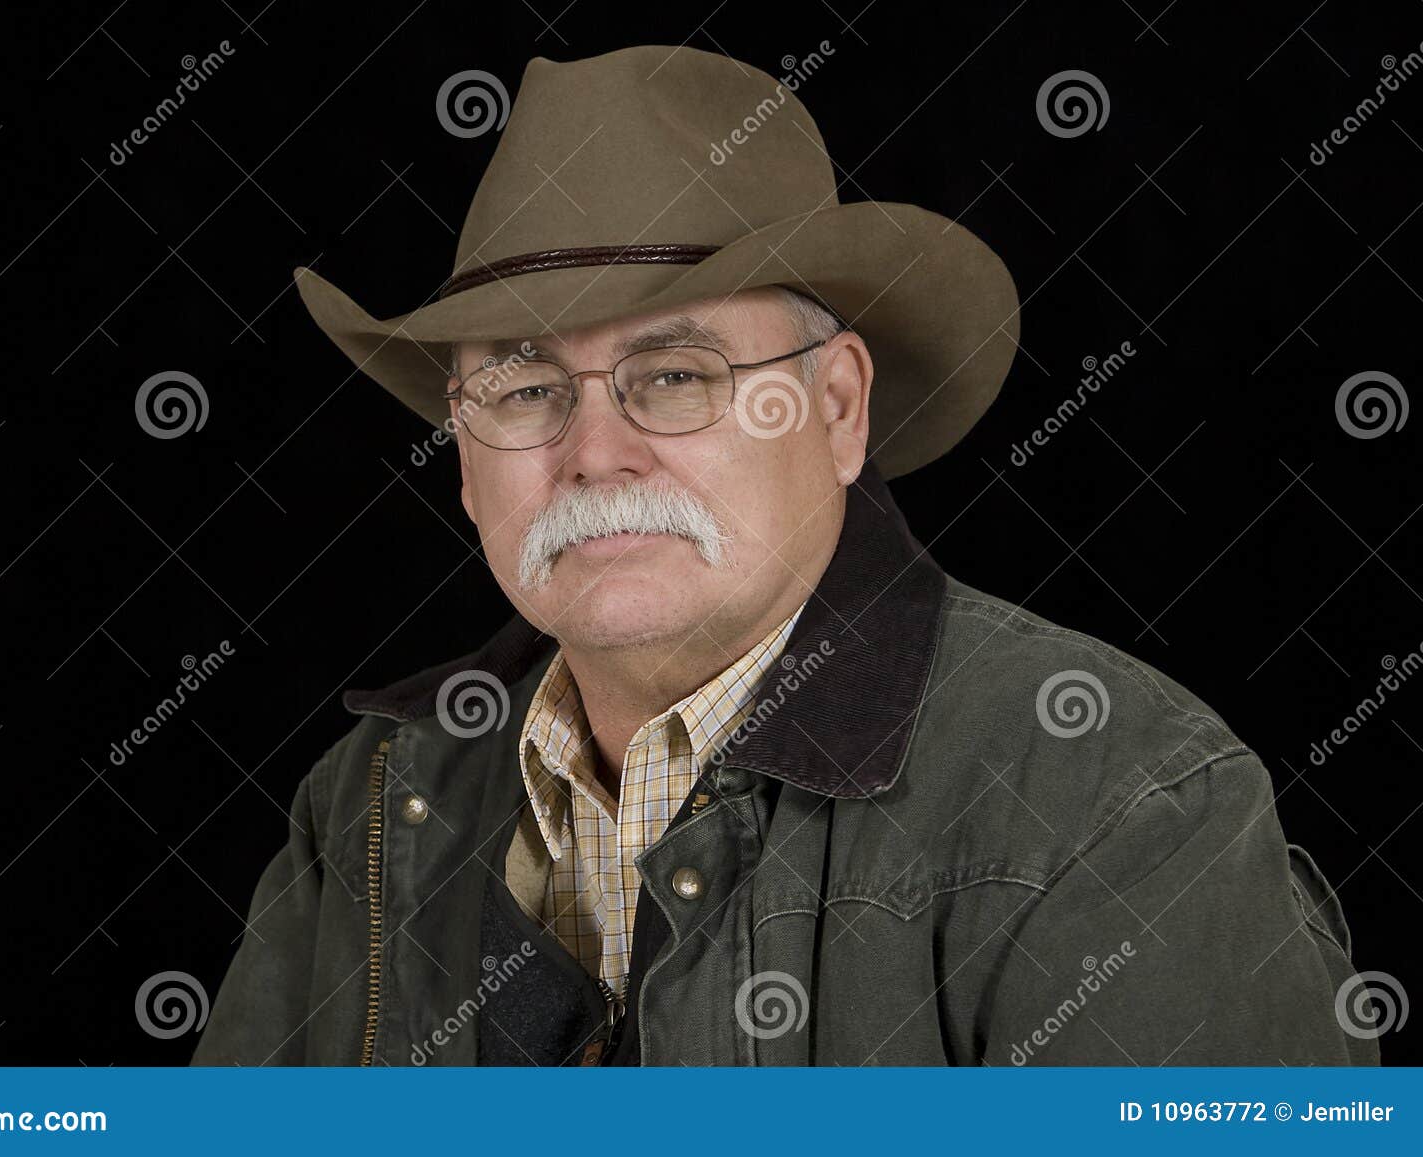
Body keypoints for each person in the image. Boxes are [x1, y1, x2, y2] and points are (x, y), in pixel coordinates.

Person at [192, 45, 1374, 1066]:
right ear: (461, 456)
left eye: (675, 375)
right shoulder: (368, 801)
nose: (594, 450)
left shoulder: (1116, 804)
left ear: (839, 409)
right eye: (521, 384)